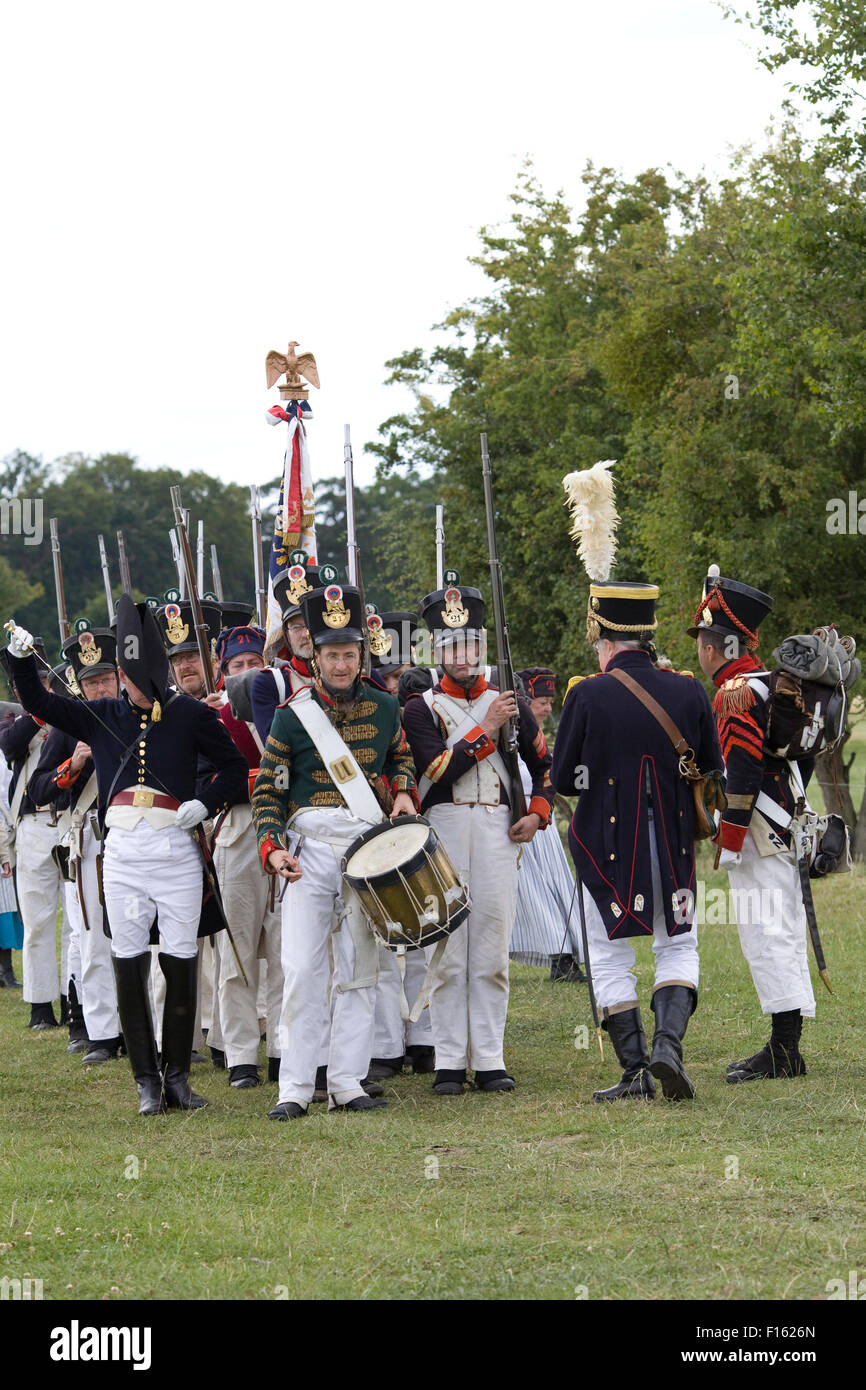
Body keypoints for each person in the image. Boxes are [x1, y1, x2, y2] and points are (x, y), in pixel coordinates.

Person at [5, 599, 248, 1116]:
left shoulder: (189, 714)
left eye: (138, 679)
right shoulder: (102, 714)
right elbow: (42, 705)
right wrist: (21, 661)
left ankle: (178, 1076)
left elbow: (232, 768)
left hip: (175, 848)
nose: (131, 688)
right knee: (128, 957)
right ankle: (146, 1082)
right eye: (125, 679)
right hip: (123, 852)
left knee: (181, 957)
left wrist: (204, 803)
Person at [551, 581, 722, 1102]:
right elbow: (711, 766)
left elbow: (562, 778)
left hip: (605, 848)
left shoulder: (584, 693)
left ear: (604, 637)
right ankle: (668, 1047)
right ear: (647, 634)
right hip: (672, 843)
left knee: (607, 955)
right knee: (678, 943)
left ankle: (635, 1072)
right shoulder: (689, 689)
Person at [252, 582, 418, 1119]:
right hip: (310, 856)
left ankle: (348, 1080)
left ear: (360, 654)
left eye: (350, 654)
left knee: (360, 969)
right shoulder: (290, 717)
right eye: (332, 655)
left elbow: (402, 763)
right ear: (314, 657)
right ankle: (295, 1087)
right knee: (301, 970)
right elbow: (269, 791)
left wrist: (403, 795)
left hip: (367, 851)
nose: (342, 664)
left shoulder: (388, 708)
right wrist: (273, 848)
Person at [690, 572, 858, 1083]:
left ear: (720, 646)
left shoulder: (736, 693)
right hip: (786, 819)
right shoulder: (771, 685)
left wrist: (731, 838)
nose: (700, 650)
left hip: (759, 831)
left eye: (703, 641)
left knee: (768, 936)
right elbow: (800, 756)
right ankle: (785, 1047)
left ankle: (784, 1053)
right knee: (778, 932)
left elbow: (740, 773)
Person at [402, 584, 554, 1096]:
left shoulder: (508, 702)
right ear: (437, 652)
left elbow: (544, 767)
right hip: (442, 826)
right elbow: (437, 770)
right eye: (451, 646)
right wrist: (488, 727)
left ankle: (489, 1058)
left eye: (470, 645)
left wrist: (537, 813)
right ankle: (448, 1061)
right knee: (446, 951)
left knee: (490, 948)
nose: (462, 657)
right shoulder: (420, 707)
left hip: (496, 830)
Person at [28, 623, 122, 1064]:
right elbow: (39, 789)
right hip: (89, 842)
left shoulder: (140, 713)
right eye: (89, 682)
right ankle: (101, 1032)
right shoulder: (69, 726)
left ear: (120, 677)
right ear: (78, 686)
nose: (99, 687)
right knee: (92, 940)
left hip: (139, 836)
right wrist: (75, 760)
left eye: (105, 678)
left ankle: (151, 1032)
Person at [208, 622, 284, 1088]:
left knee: (284, 952)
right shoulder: (214, 717)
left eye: (254, 663)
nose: (247, 671)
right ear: (223, 672)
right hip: (238, 830)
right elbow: (208, 780)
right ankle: (240, 1055)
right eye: (237, 666)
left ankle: (282, 1048)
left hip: (286, 829)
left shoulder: (285, 707)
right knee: (235, 950)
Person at [365, 608, 436, 1079]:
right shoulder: (368, 707)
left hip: (421, 819)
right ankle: (387, 1044)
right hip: (370, 823)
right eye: (386, 675)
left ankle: (426, 1038)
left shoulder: (420, 703)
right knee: (385, 940)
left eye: (399, 673)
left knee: (425, 932)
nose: (394, 682)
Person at [0, 642, 68, 1027]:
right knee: (39, 919)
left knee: (79, 921)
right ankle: (41, 1005)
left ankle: (73, 999)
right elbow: (9, 745)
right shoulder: (17, 723)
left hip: (71, 819)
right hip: (34, 824)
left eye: (45, 680)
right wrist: (39, 712)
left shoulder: (67, 713)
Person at [510, 667, 585, 982]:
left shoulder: (533, 738)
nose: (545, 707)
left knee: (558, 890)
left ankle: (568, 955)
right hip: (520, 820)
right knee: (534, 896)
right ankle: (560, 957)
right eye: (539, 700)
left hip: (540, 818)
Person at [250, 557, 319, 743]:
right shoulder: (269, 684)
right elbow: (278, 746)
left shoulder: (358, 677)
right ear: (285, 634)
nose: (305, 634)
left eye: (311, 624)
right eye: (296, 627)